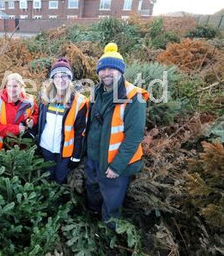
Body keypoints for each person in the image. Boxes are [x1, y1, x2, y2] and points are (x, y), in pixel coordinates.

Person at [85, 43, 149, 228]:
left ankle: (108, 229)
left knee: (112, 200)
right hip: (93, 159)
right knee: (92, 189)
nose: (106, 73)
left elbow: (134, 137)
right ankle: (91, 216)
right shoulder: (95, 92)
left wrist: (117, 166)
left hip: (113, 165)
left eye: (111, 68)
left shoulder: (133, 97)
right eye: (103, 69)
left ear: (120, 71)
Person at [38, 58, 89, 184]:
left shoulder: (80, 102)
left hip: (65, 153)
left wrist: (76, 156)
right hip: (46, 148)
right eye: (57, 76)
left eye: (65, 76)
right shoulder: (45, 98)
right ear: (53, 79)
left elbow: (80, 133)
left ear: (70, 78)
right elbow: (40, 122)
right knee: (47, 180)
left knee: (61, 181)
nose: (61, 80)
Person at [0, 73, 38, 149]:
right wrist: (16, 129)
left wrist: (32, 120)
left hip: (25, 148)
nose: (12, 89)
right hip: (4, 148)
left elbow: (36, 114)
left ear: (21, 87)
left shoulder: (30, 101)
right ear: (6, 87)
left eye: (15, 86)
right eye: (9, 86)